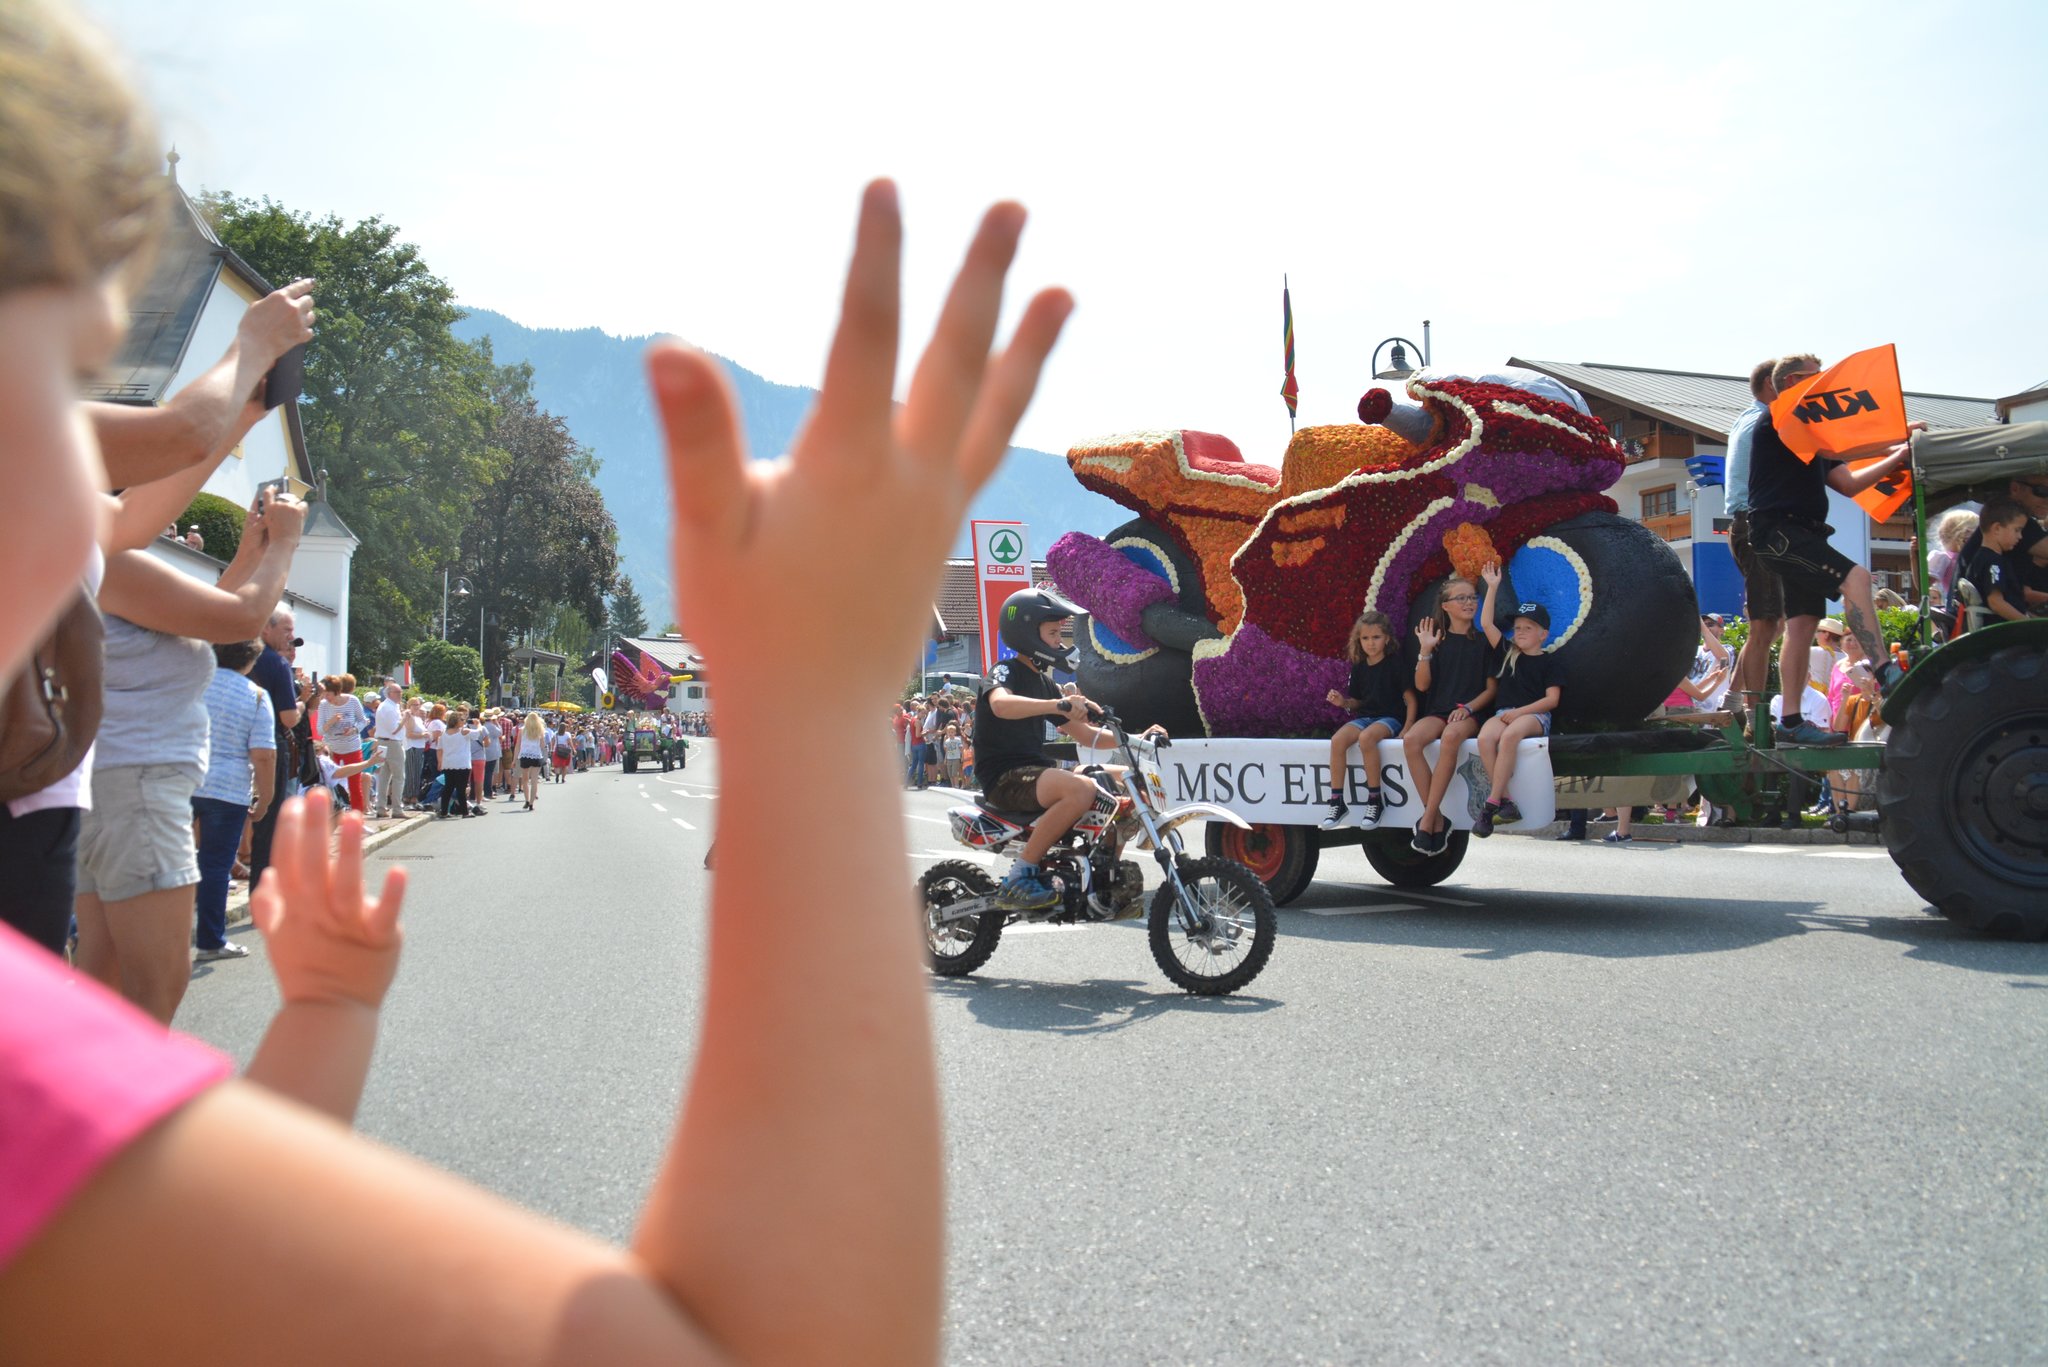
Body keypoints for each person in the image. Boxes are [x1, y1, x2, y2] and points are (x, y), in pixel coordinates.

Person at [1743, 353, 1911, 745]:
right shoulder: (1780, 418)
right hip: (1780, 532)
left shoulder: (1813, 436)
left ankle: (1790, 722)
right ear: (1788, 383)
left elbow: (1851, 485)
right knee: (1857, 576)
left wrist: (1899, 455)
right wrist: (1896, 438)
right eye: (1813, 379)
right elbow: (1843, 444)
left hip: (1801, 534)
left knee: (1801, 625)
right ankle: (1885, 670)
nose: (1822, 385)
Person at [973, 586, 1164, 912]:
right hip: (1005, 777)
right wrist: (1057, 703)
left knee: (1132, 779)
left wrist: (1137, 739)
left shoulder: (1046, 683)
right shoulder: (1005, 671)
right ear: (1027, 634)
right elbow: (1001, 705)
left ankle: (1105, 872)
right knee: (1080, 789)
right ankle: (1019, 878)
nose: (1059, 642)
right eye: (1052, 634)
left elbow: (1087, 736)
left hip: (1038, 773)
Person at [191, 639, 276, 964]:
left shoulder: (193, 683)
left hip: (182, 779)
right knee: (215, 865)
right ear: (251, 660)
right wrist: (265, 797)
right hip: (227, 789)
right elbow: (264, 755)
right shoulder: (255, 695)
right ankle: (210, 940)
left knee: (170, 862)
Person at [1402, 577, 1499, 856]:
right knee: (1411, 741)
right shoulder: (1437, 641)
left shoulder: (1483, 642)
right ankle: (1436, 818)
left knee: (1452, 735)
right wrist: (1425, 651)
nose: (1469, 602)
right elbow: (1422, 686)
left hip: (1471, 712)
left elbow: (1492, 690)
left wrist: (1468, 708)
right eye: (1462, 598)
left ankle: (1428, 820)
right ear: (1446, 606)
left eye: (1472, 597)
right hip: (1440, 710)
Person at [1470, 564, 1564, 837]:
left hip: (1534, 715)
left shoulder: (1550, 661)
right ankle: (1507, 801)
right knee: (1486, 738)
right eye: (1518, 627)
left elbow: (1552, 700)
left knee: (1510, 736)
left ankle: (1491, 804)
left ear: (1543, 634)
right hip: (1505, 712)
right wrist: (1492, 587)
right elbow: (1486, 623)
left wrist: (1521, 712)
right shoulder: (1508, 653)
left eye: (1528, 628)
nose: (1520, 632)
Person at [1724, 357, 1785, 740]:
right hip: (1757, 525)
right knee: (1765, 624)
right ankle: (1754, 715)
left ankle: (1733, 699)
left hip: (1749, 524)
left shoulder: (1748, 417)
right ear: (1770, 385)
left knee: (1769, 624)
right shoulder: (1765, 421)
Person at [1319, 608, 1412, 831]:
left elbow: (1411, 699)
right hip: (1366, 716)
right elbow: (1358, 702)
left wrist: (1407, 727)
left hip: (1391, 718)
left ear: (1387, 638)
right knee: (1338, 740)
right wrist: (1343, 703)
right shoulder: (1360, 666)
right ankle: (1337, 801)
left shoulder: (1395, 664)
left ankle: (1375, 800)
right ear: (1358, 640)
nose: (1371, 643)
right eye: (1365, 638)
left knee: (1367, 738)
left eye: (1376, 637)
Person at [1954, 475, 2048, 614]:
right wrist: (2026, 623)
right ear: (2015, 488)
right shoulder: (2013, 521)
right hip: (1986, 623)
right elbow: (1996, 603)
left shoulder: (2011, 525)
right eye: (2042, 491)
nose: (2019, 535)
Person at [1961, 497, 2032, 626]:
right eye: (2017, 530)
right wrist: (2029, 625)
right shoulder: (1993, 562)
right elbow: (1996, 603)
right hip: (2003, 635)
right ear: (1997, 528)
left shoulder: (1982, 558)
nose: (2020, 536)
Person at [315, 675, 369, 813]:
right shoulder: (323, 705)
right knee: (329, 782)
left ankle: (358, 817)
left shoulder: (352, 701)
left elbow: (363, 720)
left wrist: (354, 729)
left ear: (337, 691)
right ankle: (332, 816)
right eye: (324, 694)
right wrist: (331, 721)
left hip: (351, 747)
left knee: (355, 784)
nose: (326, 697)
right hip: (331, 748)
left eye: (328, 694)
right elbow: (320, 730)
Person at [1926, 507, 1978, 610]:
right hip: (1957, 608)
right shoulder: (1944, 558)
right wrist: (1914, 557)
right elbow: (1923, 584)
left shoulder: (1974, 557)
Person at [370, 679, 406, 818]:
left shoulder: (390, 706)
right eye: (397, 692)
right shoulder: (389, 707)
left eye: (400, 692)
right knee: (398, 776)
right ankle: (397, 809)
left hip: (383, 742)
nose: (400, 694)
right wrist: (405, 718)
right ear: (389, 693)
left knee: (384, 776)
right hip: (392, 743)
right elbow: (394, 729)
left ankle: (381, 807)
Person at [516, 710, 547, 809]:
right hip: (536, 756)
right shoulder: (540, 730)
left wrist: (514, 759)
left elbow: (518, 745)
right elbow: (542, 745)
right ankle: (531, 803)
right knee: (534, 781)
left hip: (525, 755)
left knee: (525, 780)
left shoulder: (522, 730)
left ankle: (526, 799)